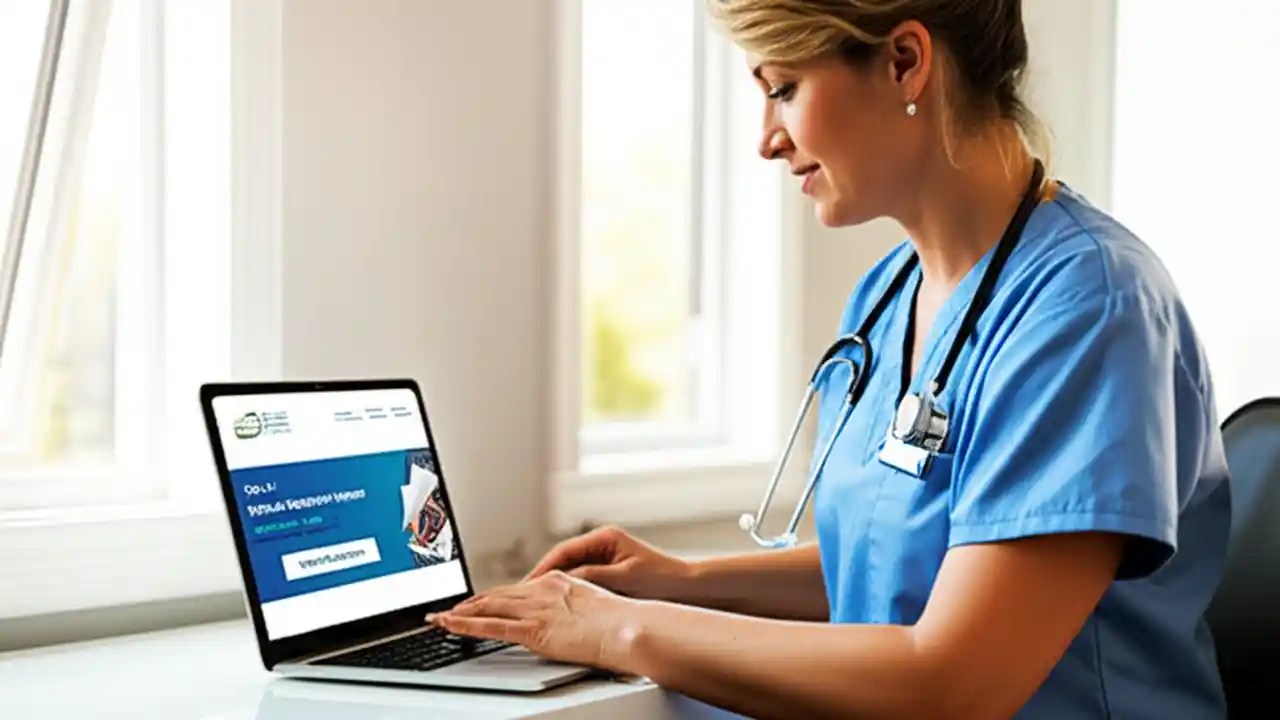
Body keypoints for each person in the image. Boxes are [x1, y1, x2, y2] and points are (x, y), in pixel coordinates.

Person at [429, 1, 1230, 717]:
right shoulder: (886, 297)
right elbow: (891, 576)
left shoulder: (1090, 307)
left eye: (783, 88)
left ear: (905, 61)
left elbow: (955, 682)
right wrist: (681, 581)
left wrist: (619, 628)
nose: (766, 140)